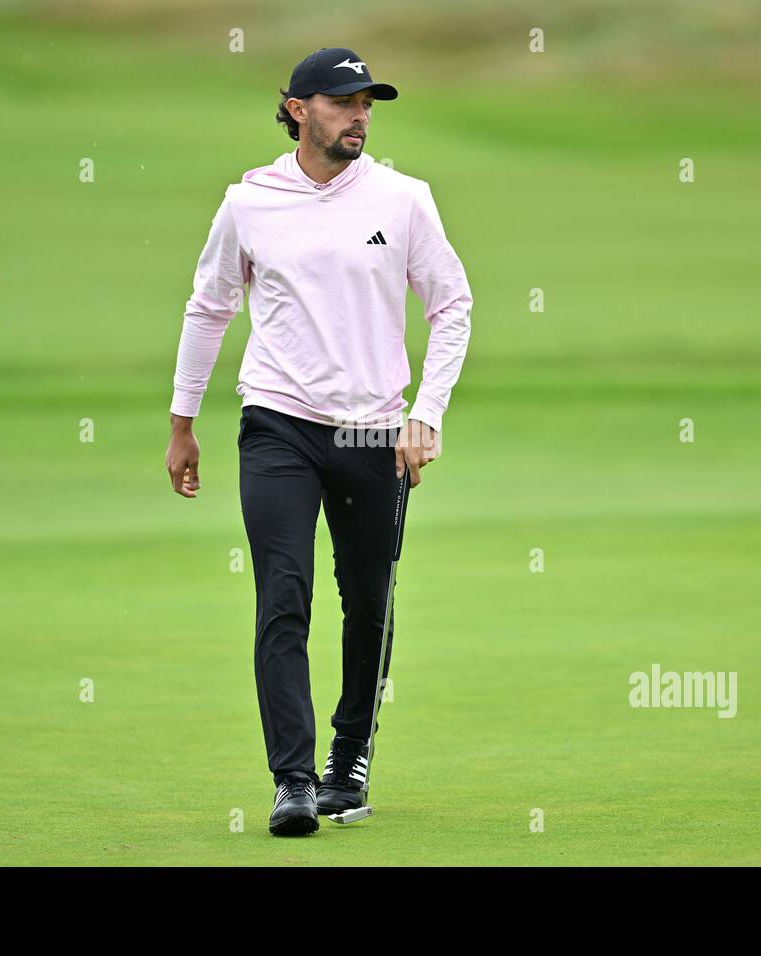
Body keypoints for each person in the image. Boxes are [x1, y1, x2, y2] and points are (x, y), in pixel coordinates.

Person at [165, 47, 472, 836]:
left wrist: (425, 413)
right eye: (343, 103)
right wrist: (182, 422)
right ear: (298, 109)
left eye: (368, 104)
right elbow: (209, 308)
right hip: (276, 423)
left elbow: (452, 305)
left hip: (374, 430)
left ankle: (348, 760)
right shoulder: (249, 201)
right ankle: (293, 781)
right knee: (283, 593)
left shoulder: (404, 200)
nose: (359, 117)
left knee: (368, 599)